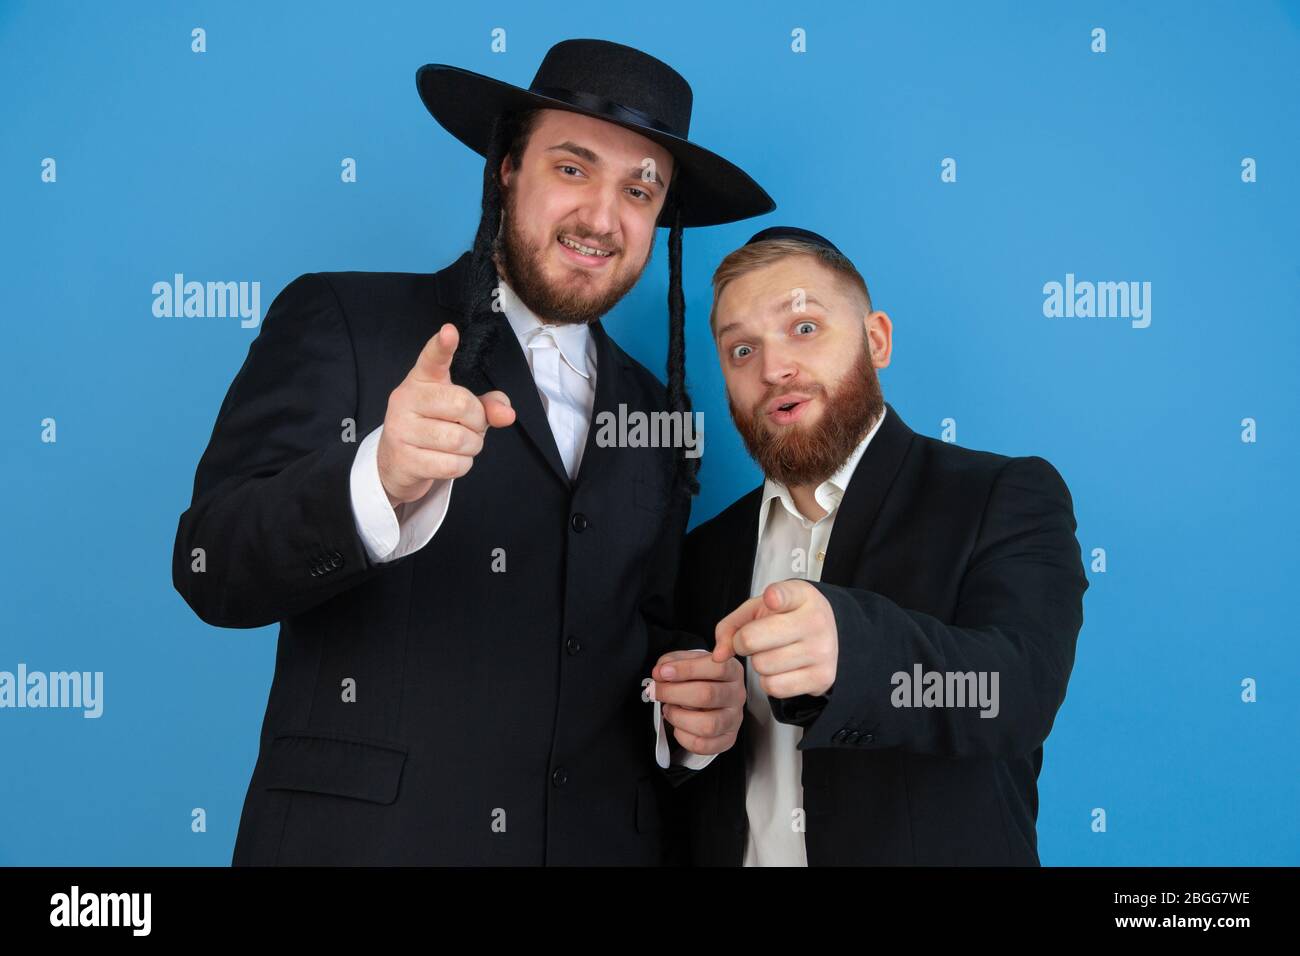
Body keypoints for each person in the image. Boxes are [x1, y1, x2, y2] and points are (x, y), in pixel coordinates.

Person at [171, 39, 765, 865]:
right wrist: (374, 479)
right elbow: (210, 566)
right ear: (506, 170)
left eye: (639, 190)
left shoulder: (660, 415)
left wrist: (689, 725)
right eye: (571, 168)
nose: (602, 216)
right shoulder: (346, 320)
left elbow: (646, 648)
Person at [654, 226, 1088, 865]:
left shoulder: (1004, 494)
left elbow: (1016, 691)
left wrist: (852, 653)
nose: (774, 368)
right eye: (742, 349)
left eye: (804, 327)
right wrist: (687, 735)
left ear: (875, 340)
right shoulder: (703, 549)